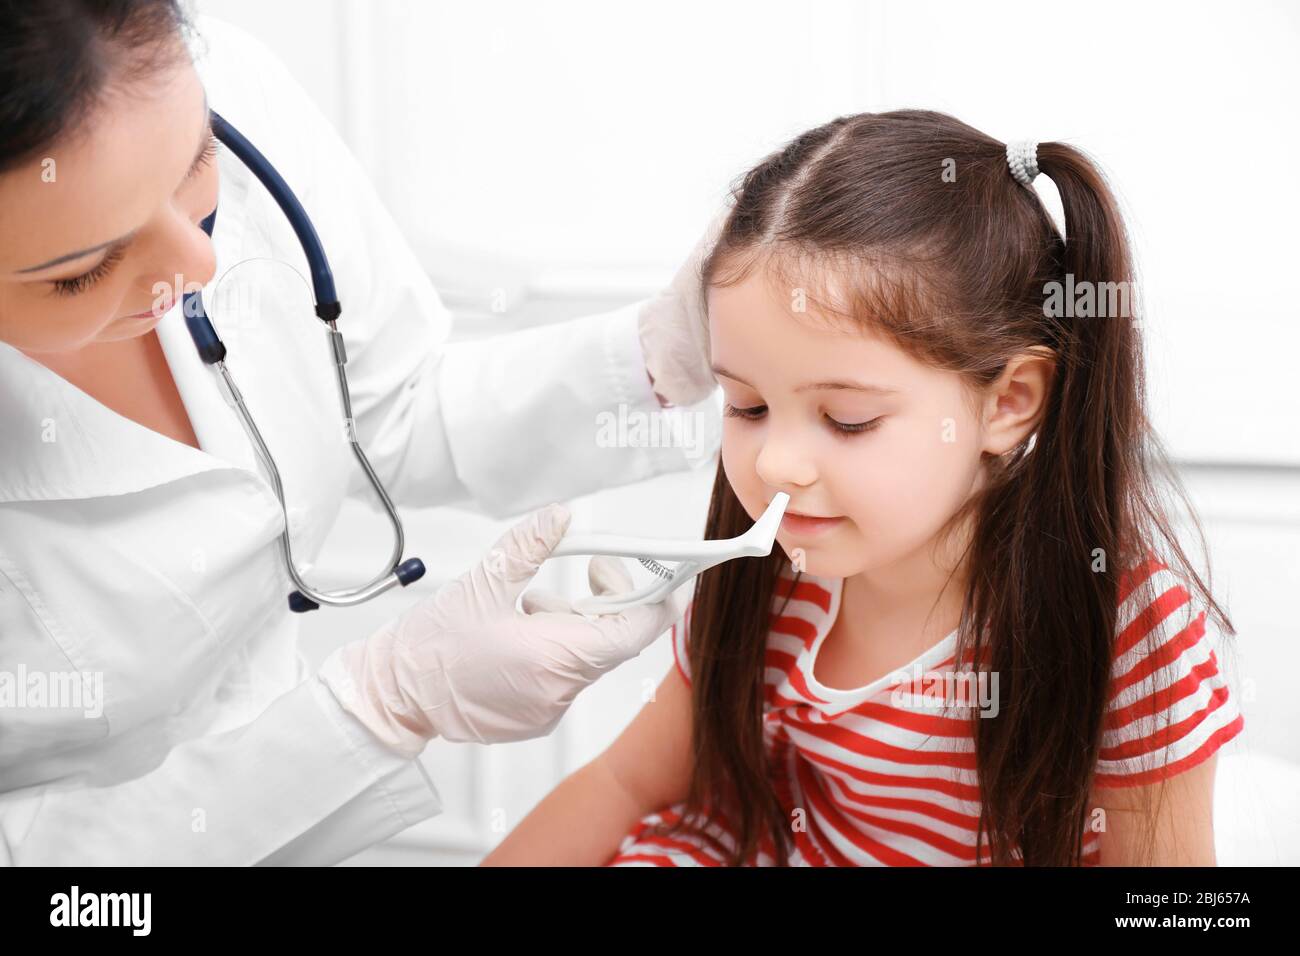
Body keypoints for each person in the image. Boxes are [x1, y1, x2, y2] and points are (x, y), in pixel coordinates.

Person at [0, 2, 720, 865]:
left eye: (196, 161)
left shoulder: (199, 76)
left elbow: (384, 407)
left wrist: (660, 358)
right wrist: (385, 703)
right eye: (81, 273)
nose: (200, 267)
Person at [483, 110, 1245, 867]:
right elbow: (624, 783)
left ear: (1008, 403)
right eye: (746, 406)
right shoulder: (770, 583)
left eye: (846, 419)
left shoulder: (1124, 626)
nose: (776, 463)